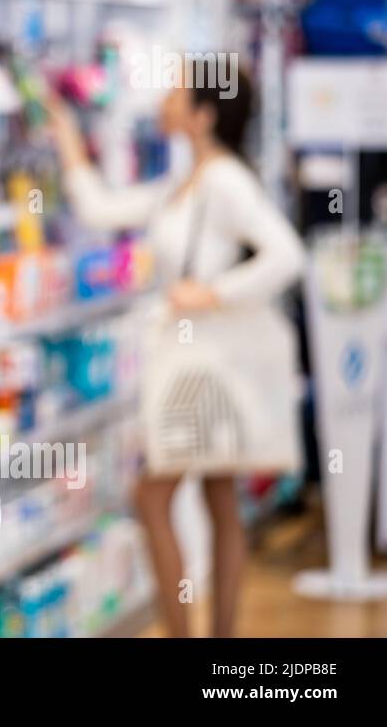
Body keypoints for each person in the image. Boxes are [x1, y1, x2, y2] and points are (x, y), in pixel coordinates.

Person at [47, 60, 304, 637]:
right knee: (219, 498)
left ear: (202, 115)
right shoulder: (184, 182)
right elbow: (102, 209)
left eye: (178, 89)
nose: (166, 98)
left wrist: (211, 292)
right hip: (201, 366)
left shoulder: (223, 182)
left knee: (152, 495)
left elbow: (287, 253)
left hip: (202, 371)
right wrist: (65, 135)